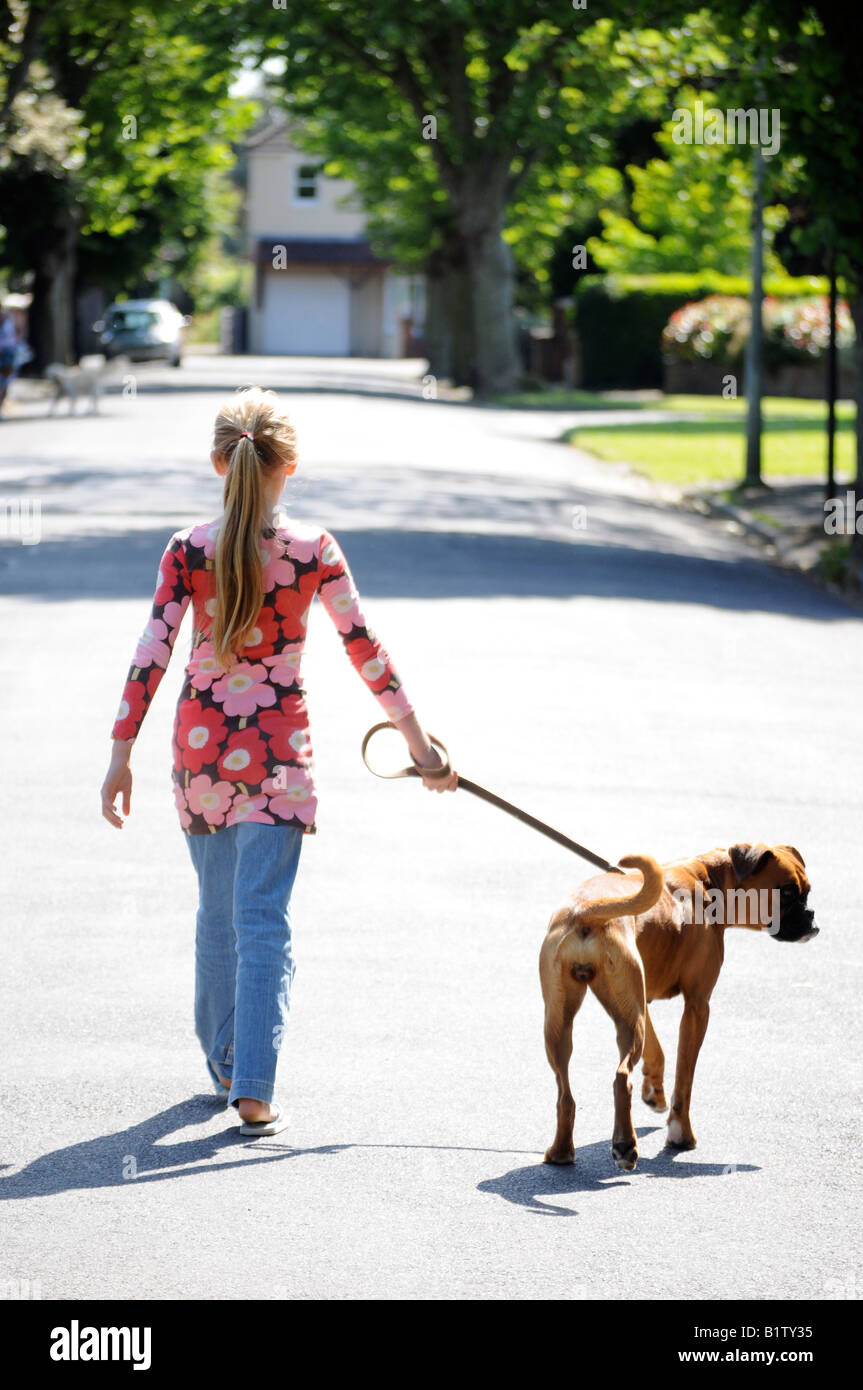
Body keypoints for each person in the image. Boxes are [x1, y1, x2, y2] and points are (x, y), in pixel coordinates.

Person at [100, 386, 457, 1137]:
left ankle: (228, 1064)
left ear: (216, 463)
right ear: (288, 467)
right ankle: (251, 1087)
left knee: (216, 914)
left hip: (199, 750)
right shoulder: (312, 550)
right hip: (279, 752)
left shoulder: (187, 548)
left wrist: (119, 755)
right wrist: (421, 749)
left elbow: (151, 654)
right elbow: (365, 648)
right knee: (263, 918)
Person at [0, 305, 20, 415]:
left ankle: (1, 405)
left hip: (7, 354)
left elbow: (14, 338)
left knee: (5, 383)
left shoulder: (8, 323)